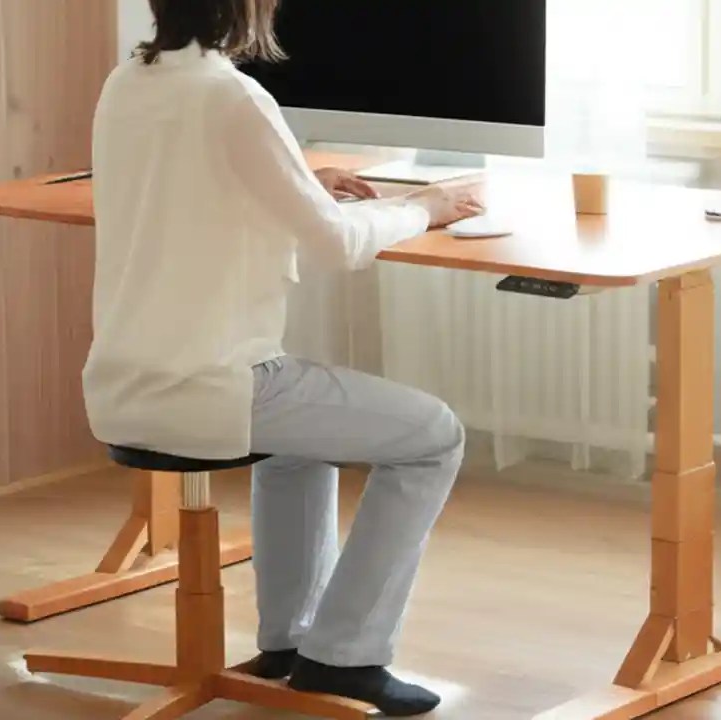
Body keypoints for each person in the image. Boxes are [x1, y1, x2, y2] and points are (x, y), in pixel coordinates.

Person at [82, 0, 483, 715]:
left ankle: (291, 644)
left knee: (303, 446)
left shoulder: (129, 82)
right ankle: (347, 659)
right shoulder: (233, 95)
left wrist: (300, 184)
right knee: (433, 437)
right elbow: (335, 246)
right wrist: (427, 205)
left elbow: (194, 189)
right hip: (214, 384)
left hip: (123, 383)